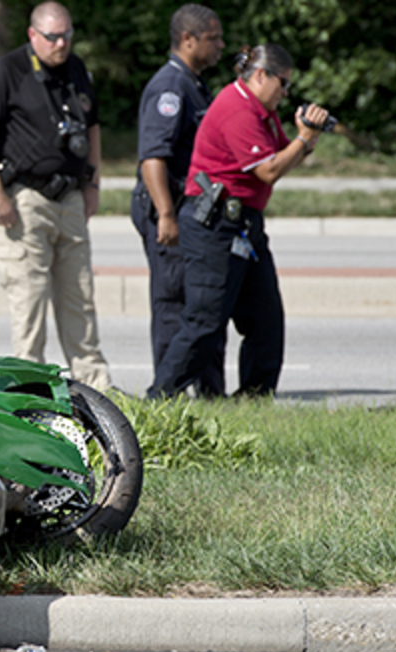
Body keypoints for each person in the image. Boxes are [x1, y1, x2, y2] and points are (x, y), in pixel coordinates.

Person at [148, 44, 329, 398]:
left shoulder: (262, 110)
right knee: (204, 321)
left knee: (266, 320)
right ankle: (160, 399)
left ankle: (255, 399)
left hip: (245, 226)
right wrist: (304, 140)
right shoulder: (237, 108)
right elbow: (269, 170)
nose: (286, 92)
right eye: (283, 83)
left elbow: (282, 157)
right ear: (260, 75)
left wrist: (306, 139)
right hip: (214, 226)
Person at [0, 1, 111, 391]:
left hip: (70, 199)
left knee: (80, 300)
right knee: (29, 308)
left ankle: (96, 389)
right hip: (25, 201)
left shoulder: (76, 69)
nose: (60, 44)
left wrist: (93, 184)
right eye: (52, 37)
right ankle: (30, 394)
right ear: (33, 35)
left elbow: (92, 127)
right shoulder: (8, 72)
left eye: (66, 35)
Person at [132, 4, 226, 398]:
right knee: (174, 304)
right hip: (165, 208)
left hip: (189, 211)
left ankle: (206, 392)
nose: (221, 46)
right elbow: (153, 157)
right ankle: (167, 398)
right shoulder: (170, 87)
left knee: (201, 302)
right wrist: (166, 215)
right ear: (188, 40)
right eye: (213, 39)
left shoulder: (193, 83)